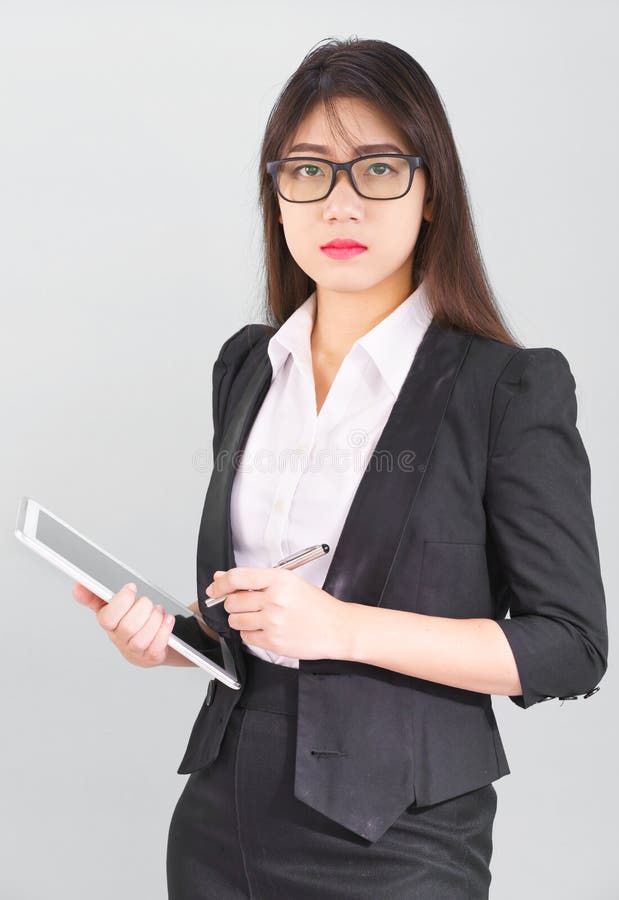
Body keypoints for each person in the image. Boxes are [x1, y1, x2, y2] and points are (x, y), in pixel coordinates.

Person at [73, 37, 608, 900]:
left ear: (431, 192)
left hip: (401, 831)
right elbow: (259, 620)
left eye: (378, 169)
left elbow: (569, 648)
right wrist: (176, 642)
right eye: (309, 172)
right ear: (277, 196)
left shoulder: (503, 386)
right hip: (224, 812)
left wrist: (340, 629)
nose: (340, 205)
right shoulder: (248, 366)